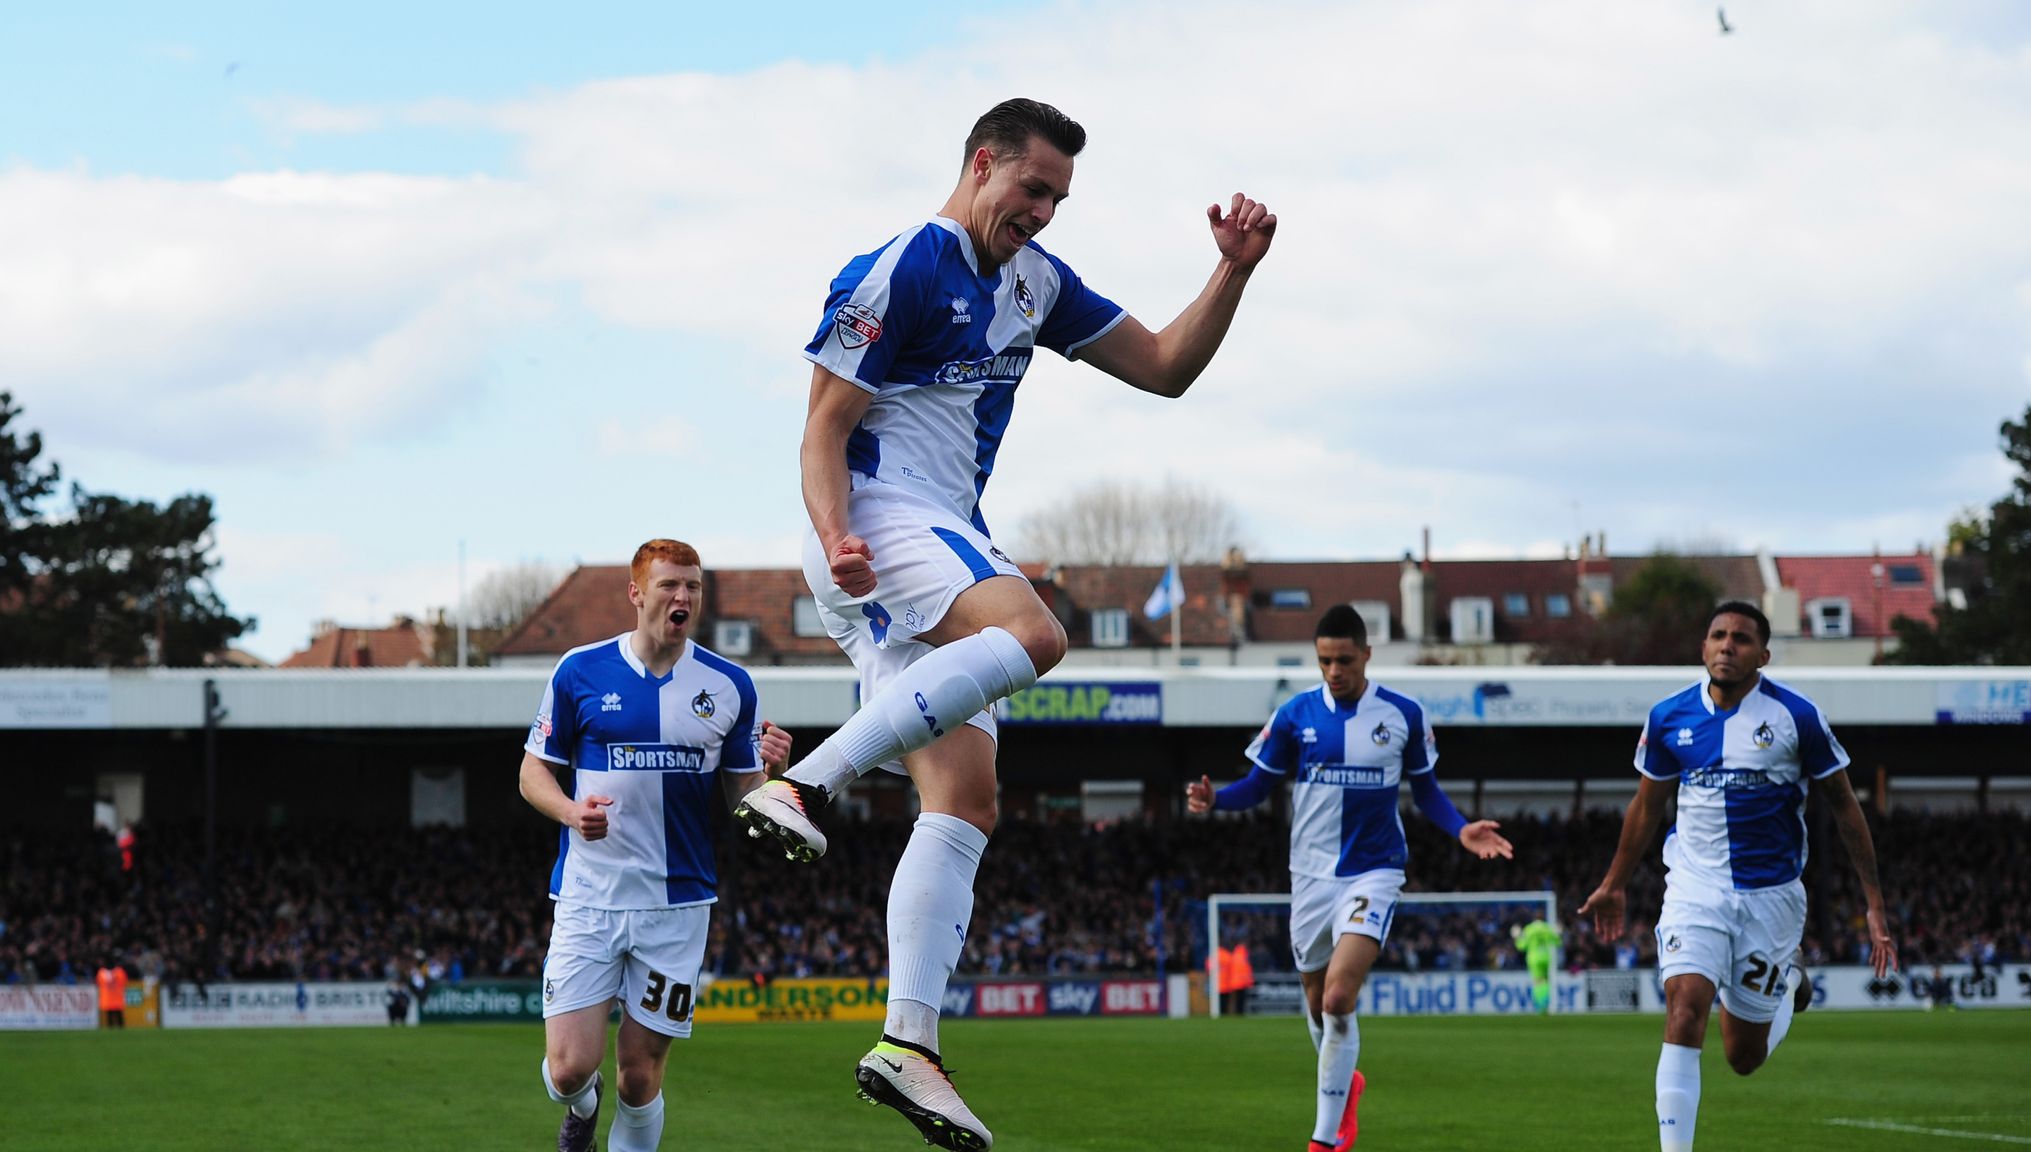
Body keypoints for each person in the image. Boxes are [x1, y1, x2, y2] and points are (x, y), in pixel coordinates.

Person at [732, 97, 1277, 1149]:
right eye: (1033, 188)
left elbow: (1165, 367)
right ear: (982, 164)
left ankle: (908, 1043)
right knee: (1036, 635)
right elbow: (822, 427)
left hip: (937, 538)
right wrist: (837, 535)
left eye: (1059, 199)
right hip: (881, 516)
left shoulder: (1037, 282)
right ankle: (806, 783)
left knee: (965, 804)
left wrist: (1232, 272)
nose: (1044, 212)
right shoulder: (901, 266)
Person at [1186, 605, 1514, 1152]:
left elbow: (1426, 789)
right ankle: (1346, 1085)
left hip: (1374, 870)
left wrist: (1460, 828)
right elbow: (1258, 786)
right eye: (1324, 661)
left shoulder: (1403, 714)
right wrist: (1215, 798)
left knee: (1338, 998)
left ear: (1366, 654)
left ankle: (1324, 1138)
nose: (1334, 671)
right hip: (1310, 876)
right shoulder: (1294, 715)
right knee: (1317, 1002)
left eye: (1344, 660)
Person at [1578, 600, 1896, 1152]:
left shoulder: (1797, 717)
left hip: (1770, 898)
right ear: (1703, 648)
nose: (1727, 645)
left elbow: (1846, 807)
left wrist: (1874, 904)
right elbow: (1647, 807)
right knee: (1684, 1010)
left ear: (1763, 655)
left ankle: (1790, 981)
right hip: (1695, 888)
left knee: (1743, 1056)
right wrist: (1614, 883)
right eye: (1718, 635)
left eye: (1742, 638)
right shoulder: (1669, 717)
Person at [519, 539, 794, 1152]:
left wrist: (774, 774)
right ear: (637, 593)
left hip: (677, 908)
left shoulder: (730, 685)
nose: (683, 596)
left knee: (640, 1076)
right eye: (669, 584)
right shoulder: (579, 671)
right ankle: (582, 1107)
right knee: (568, 1071)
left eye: (692, 586)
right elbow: (532, 773)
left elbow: (746, 800)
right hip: (590, 898)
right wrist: (570, 812)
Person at [1511, 918, 1562, 1014]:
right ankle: (1545, 1001)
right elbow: (1557, 942)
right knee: (1546, 981)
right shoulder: (1547, 928)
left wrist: (1516, 937)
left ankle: (1540, 1005)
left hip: (1534, 958)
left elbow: (1521, 946)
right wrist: (1558, 933)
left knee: (1537, 981)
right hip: (1546, 957)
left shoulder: (1529, 929)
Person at [95, 958, 127, 1029]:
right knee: (119, 1015)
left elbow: (98, 983)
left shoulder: (101, 973)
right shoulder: (120, 972)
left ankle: (110, 1029)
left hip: (107, 998)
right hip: (117, 997)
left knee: (109, 1016)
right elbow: (124, 982)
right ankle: (121, 1029)